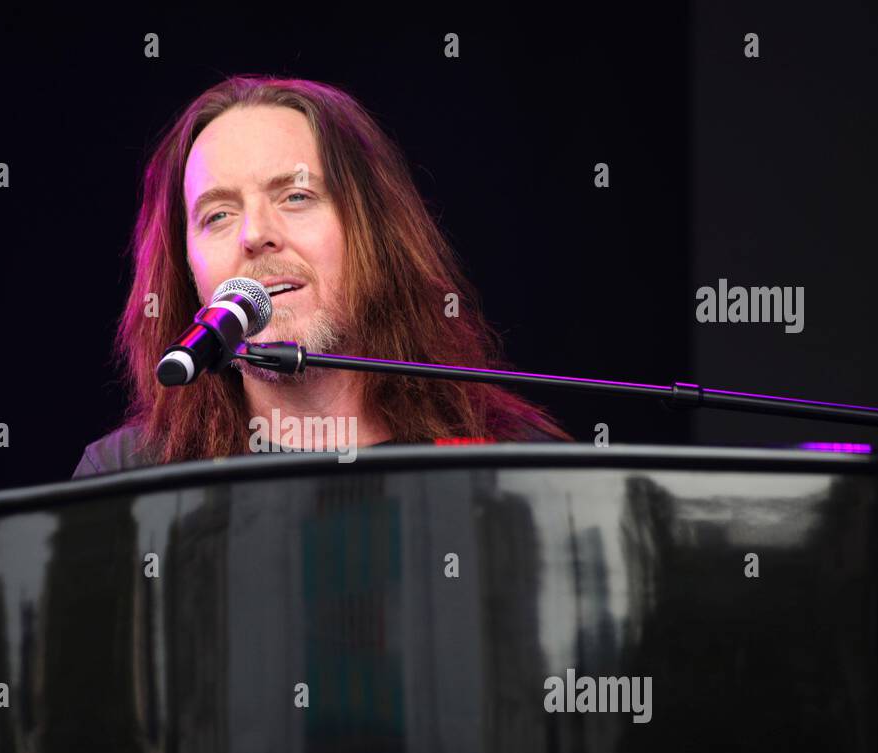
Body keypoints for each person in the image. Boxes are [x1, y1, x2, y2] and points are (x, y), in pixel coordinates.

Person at [73, 75, 569, 478]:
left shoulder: (516, 460)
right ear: (188, 271)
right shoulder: (126, 475)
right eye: (218, 215)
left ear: (374, 235)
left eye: (295, 196)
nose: (255, 234)